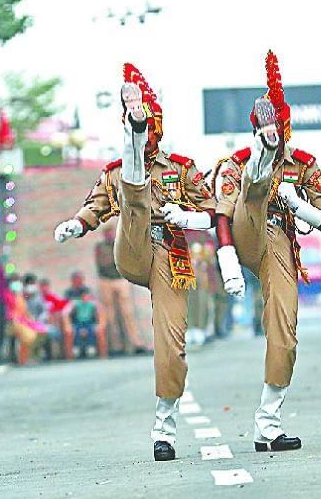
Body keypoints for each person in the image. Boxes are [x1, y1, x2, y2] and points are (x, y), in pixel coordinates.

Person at [53, 63, 217, 462]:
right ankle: (133, 139)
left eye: (145, 124)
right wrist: (77, 224)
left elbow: (213, 210)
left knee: (172, 346)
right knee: (132, 191)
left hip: (170, 256)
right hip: (132, 246)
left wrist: (190, 218)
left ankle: (164, 428)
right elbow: (95, 206)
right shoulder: (114, 173)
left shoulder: (181, 168)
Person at [210, 50, 321, 453]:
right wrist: (228, 262)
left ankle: (268, 422)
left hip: (279, 240)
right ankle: (262, 167)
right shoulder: (233, 165)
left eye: (277, 130)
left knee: (285, 328)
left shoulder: (304, 165)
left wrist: (298, 205)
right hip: (247, 229)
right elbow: (222, 216)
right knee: (253, 190)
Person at [95, 224, 148, 355]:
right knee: (110, 315)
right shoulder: (100, 247)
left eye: (111, 232)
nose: (110, 234)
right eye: (108, 232)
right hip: (106, 280)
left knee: (127, 313)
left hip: (120, 279)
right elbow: (103, 263)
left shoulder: (122, 243)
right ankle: (116, 346)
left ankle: (136, 343)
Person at [70, 289, 100, 357]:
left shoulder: (92, 305)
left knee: (91, 331)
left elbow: (95, 315)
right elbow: (73, 315)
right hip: (79, 323)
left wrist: (96, 322)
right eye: (84, 296)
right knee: (76, 331)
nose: (85, 298)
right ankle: (76, 347)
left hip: (89, 322)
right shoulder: (76, 305)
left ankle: (91, 346)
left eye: (87, 296)